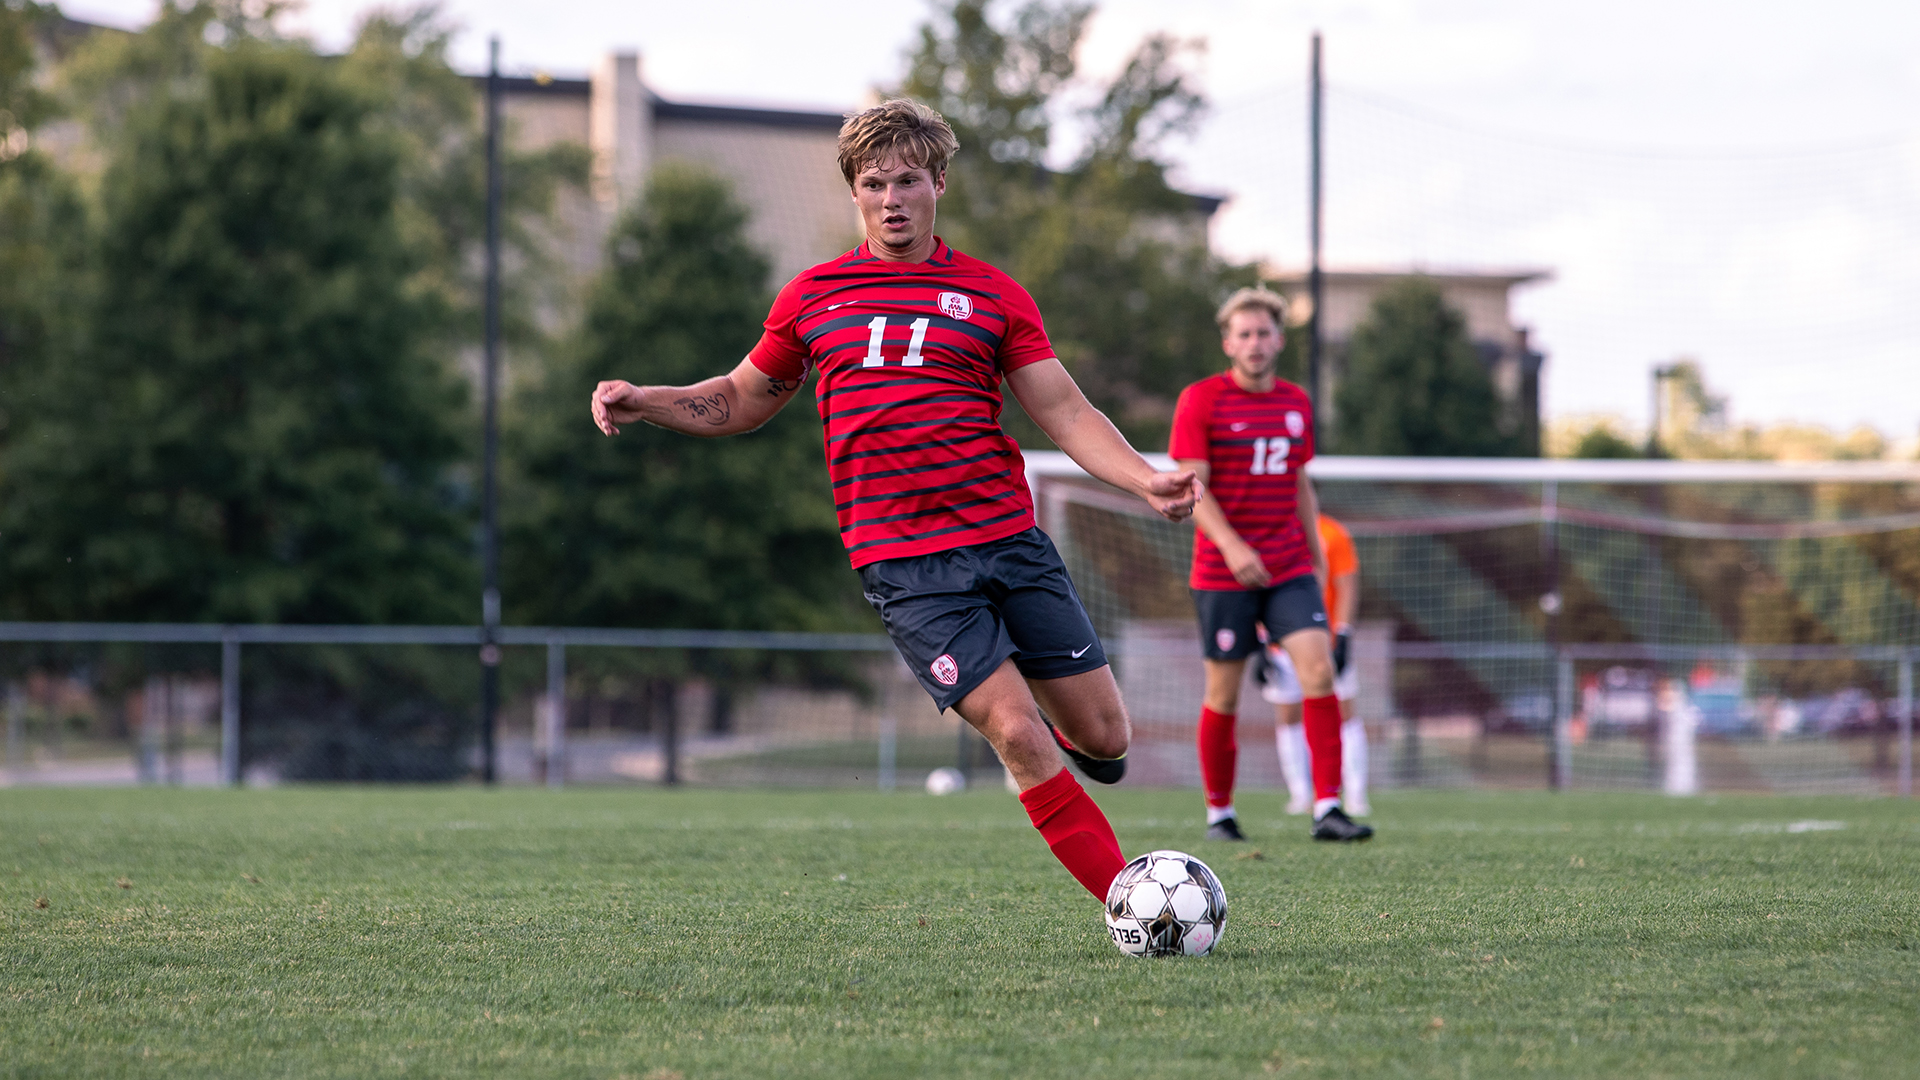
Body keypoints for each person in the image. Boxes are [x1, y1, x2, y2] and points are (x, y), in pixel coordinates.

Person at [589, 99, 1200, 901]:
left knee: (1106, 737)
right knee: (1017, 731)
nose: (891, 199)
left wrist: (1145, 477)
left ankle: (1059, 736)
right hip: (906, 566)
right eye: (874, 184)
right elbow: (739, 398)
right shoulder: (813, 296)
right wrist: (649, 401)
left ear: (938, 182)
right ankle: (1135, 906)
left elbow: (1068, 413)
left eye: (908, 180)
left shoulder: (994, 296)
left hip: (1009, 541)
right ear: (854, 192)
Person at [1168, 287, 1372, 843]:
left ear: (1279, 340)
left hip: (1287, 566)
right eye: (1245, 334)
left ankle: (1328, 808)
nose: (1255, 343)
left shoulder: (1295, 403)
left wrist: (1316, 554)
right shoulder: (1201, 400)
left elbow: (1300, 482)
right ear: (1228, 343)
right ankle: (1220, 814)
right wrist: (1233, 547)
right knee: (1224, 693)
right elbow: (1192, 487)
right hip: (1222, 571)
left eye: (1264, 333)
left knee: (1319, 670)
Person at [1258, 512, 1369, 816]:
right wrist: (1260, 640)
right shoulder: (1269, 527)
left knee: (1343, 711)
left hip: (1324, 641)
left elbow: (1346, 585)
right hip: (1281, 643)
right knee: (1288, 715)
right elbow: (1259, 586)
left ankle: (1354, 794)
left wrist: (1343, 633)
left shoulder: (1332, 532)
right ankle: (1301, 794)